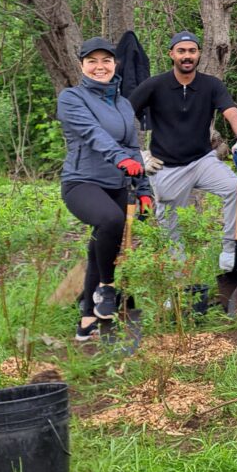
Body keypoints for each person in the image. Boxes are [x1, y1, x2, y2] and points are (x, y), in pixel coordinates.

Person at [129, 31, 237, 274]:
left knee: (235, 188)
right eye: (181, 51)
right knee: (167, 218)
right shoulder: (155, 85)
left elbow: (230, 111)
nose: (187, 56)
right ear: (172, 54)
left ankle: (229, 255)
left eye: (191, 51)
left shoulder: (211, 85)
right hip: (165, 165)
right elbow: (124, 114)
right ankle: (177, 275)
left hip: (202, 160)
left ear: (198, 54)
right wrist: (136, 153)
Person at [57, 37, 153, 340]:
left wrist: (144, 189)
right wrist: (121, 160)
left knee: (100, 244)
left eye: (106, 61)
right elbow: (92, 134)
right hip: (81, 182)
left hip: (117, 184)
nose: (100, 67)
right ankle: (106, 288)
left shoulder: (124, 103)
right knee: (110, 221)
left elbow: (133, 147)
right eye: (92, 61)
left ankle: (87, 321)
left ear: (115, 64)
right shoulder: (72, 98)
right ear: (83, 66)